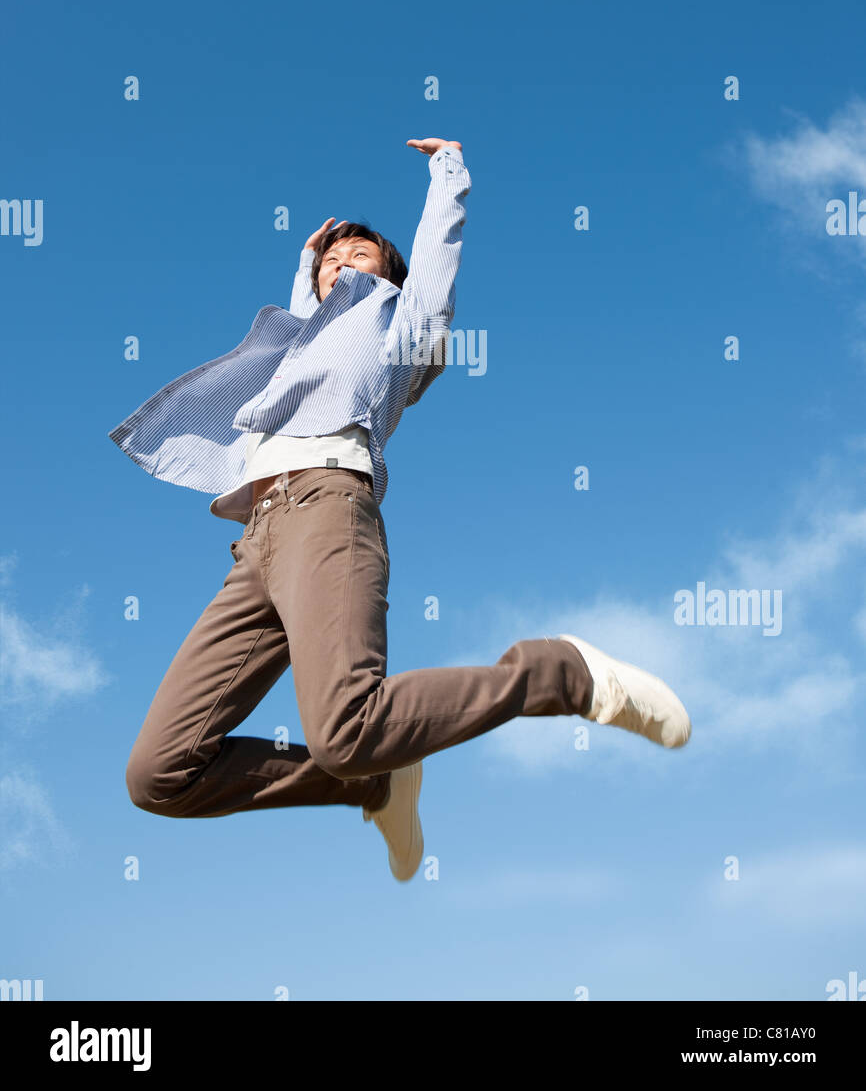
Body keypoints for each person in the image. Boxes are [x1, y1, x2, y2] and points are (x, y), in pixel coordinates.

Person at [110, 137, 691, 883]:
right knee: (158, 775)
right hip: (256, 544)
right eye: (329, 257)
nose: (341, 261)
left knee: (345, 728)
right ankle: (372, 782)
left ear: (389, 274)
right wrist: (305, 267)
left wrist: (447, 173)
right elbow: (301, 319)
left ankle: (560, 674)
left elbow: (434, 260)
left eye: (360, 254)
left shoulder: (399, 327)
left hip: (328, 510)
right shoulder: (294, 349)